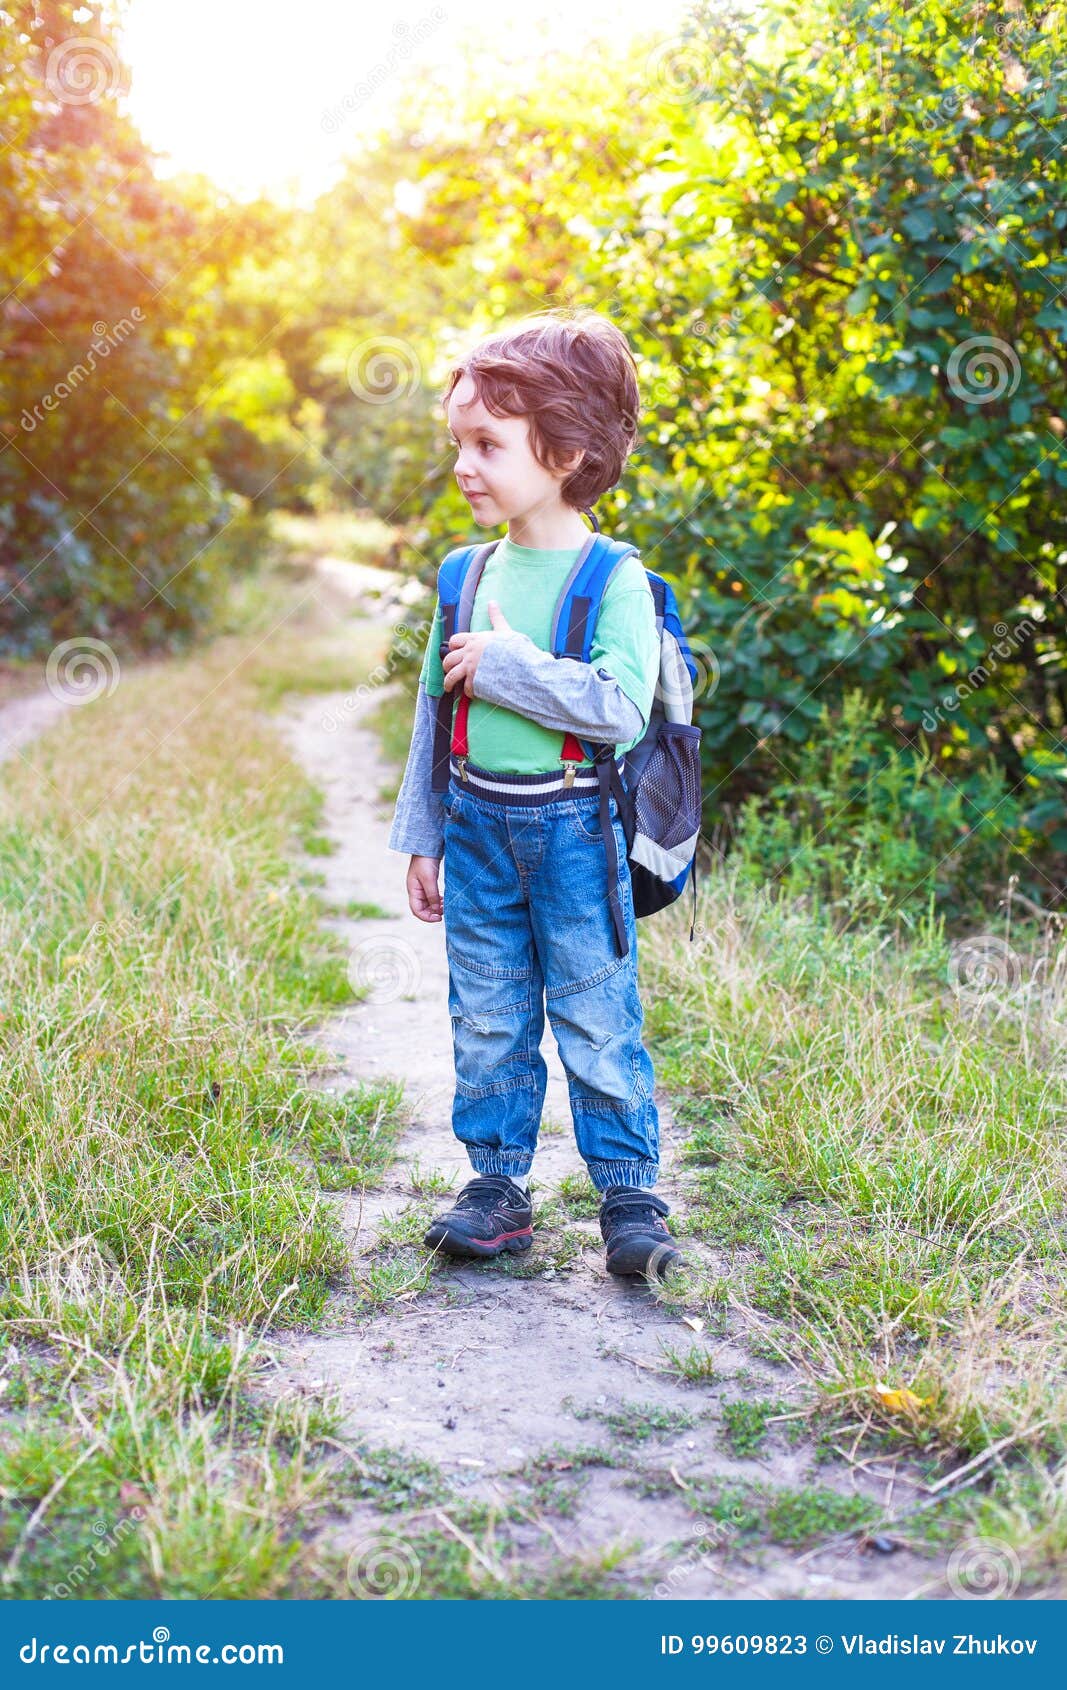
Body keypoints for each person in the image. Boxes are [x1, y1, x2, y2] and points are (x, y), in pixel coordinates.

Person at [387, 307, 683, 1281]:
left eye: (487, 444)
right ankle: (495, 1189)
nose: (463, 465)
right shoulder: (464, 573)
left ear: (563, 450)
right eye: (457, 444)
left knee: (597, 1014)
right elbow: (437, 709)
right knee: (488, 1014)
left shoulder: (614, 578)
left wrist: (512, 664)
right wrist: (421, 834)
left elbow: (616, 709)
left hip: (573, 831)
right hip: (475, 824)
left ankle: (628, 1195)